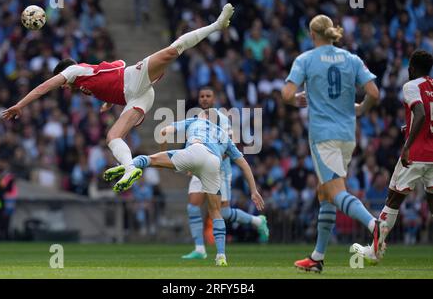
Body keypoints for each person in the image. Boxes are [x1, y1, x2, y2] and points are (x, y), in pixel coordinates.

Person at [1, 4, 235, 193]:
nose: (64, 85)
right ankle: (129, 167)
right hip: (136, 97)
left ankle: (217, 24)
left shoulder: (74, 71)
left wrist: (19, 105)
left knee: (173, 50)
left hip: (133, 80)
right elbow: (112, 71)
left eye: (62, 79)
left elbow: (44, 87)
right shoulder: (85, 83)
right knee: (112, 136)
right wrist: (109, 99)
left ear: (65, 72)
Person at [282, 14, 387, 273]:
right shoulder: (351, 59)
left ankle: (375, 226)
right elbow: (374, 93)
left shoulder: (305, 59)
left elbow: (286, 95)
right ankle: (317, 257)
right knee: (325, 193)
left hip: (323, 135)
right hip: (348, 135)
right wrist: (361, 108)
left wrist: (297, 100)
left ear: (312, 34)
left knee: (336, 191)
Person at [121, 109, 265, 266]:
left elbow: (164, 131)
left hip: (196, 153)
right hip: (213, 163)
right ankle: (220, 255)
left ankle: (127, 166)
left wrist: (165, 155)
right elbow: (243, 163)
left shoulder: (195, 121)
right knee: (214, 211)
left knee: (151, 159)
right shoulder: (223, 134)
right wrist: (253, 190)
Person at [352, 50, 433, 262]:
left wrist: (407, 145)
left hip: (416, 153)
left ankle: (375, 251)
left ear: (412, 68)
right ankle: (376, 249)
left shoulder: (411, 86)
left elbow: (422, 114)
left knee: (393, 198)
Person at [181, 86, 269, 260]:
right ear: (199, 99)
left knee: (225, 213)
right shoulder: (196, 119)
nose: (205, 99)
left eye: (208, 96)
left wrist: (207, 159)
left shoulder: (222, 119)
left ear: (214, 99)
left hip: (220, 170)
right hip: (200, 168)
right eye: (202, 96)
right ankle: (200, 249)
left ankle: (258, 221)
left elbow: (230, 147)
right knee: (193, 205)